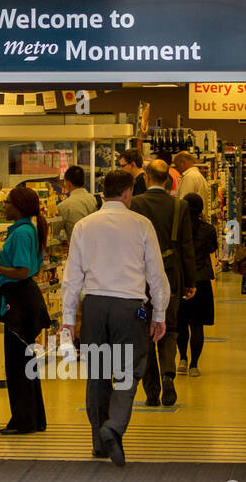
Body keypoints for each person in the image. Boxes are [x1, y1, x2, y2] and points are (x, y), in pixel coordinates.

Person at [61, 169, 170, 465]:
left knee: (97, 374)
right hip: (129, 309)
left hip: (95, 307)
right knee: (128, 372)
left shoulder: (84, 226)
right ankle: (114, 427)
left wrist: (69, 319)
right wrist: (159, 313)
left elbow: (71, 277)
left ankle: (99, 441)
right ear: (126, 193)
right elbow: (156, 276)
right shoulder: (141, 225)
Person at [130, 159, 196, 406]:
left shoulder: (135, 204)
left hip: (141, 277)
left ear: (147, 178)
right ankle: (169, 375)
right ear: (168, 181)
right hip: (171, 274)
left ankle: (151, 389)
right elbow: (187, 246)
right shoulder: (180, 207)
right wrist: (190, 280)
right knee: (169, 326)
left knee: (144, 330)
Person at [0, 185, 51, 435]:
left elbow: (23, 270)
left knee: (17, 365)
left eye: (7, 202)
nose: (4, 206)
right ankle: (34, 419)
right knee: (26, 363)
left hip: (20, 304)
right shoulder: (26, 230)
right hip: (23, 300)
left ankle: (24, 421)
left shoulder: (22, 233)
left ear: (19, 207)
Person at [177, 193, 217, 379]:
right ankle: (194, 365)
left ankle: (183, 359)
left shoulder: (177, 229)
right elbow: (212, 249)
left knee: (181, 323)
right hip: (201, 280)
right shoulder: (208, 229)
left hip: (182, 280)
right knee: (197, 325)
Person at [49, 165, 98, 243]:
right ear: (84, 182)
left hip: (77, 250)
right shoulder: (96, 200)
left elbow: (54, 233)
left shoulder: (64, 206)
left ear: (68, 183)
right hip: (96, 248)